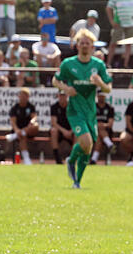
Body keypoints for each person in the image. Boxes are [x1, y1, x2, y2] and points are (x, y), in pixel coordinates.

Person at [52, 28, 113, 188]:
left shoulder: (98, 65)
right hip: (75, 110)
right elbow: (55, 80)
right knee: (85, 141)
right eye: (82, 42)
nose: (85, 45)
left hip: (90, 111)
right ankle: (72, 161)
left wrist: (100, 83)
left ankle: (77, 180)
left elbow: (108, 88)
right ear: (76, 45)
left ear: (93, 46)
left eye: (88, 43)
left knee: (88, 147)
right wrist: (66, 89)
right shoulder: (68, 64)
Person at [5, 87, 39, 165]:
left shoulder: (31, 106)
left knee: (35, 126)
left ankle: (16, 135)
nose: (23, 97)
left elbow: (34, 117)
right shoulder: (14, 108)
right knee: (22, 137)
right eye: (22, 95)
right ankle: (26, 158)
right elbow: (13, 122)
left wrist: (32, 122)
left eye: (25, 95)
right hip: (19, 130)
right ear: (19, 96)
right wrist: (17, 130)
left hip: (29, 130)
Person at [106, 0, 133, 68]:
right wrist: (111, 21)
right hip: (119, 23)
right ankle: (108, 64)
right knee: (113, 43)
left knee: (128, 44)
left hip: (130, 23)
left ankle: (126, 65)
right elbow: (109, 7)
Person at [91, 92, 116, 164]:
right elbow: (90, 121)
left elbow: (110, 124)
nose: (101, 97)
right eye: (99, 96)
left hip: (107, 132)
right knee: (98, 132)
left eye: (102, 96)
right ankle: (110, 145)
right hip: (94, 130)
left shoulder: (110, 108)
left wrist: (102, 125)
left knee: (100, 131)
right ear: (97, 96)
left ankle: (94, 159)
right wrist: (97, 125)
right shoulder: (93, 107)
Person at [49, 90, 72, 164]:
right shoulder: (54, 107)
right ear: (58, 96)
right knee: (53, 131)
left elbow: (76, 121)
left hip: (70, 131)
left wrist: (70, 131)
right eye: (61, 95)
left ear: (67, 96)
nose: (62, 97)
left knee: (78, 133)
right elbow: (54, 123)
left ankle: (72, 157)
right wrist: (64, 131)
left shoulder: (72, 107)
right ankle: (57, 158)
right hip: (60, 131)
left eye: (64, 95)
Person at [121, 100, 133, 166]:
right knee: (124, 138)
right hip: (130, 131)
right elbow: (128, 121)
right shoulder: (131, 105)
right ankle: (131, 156)